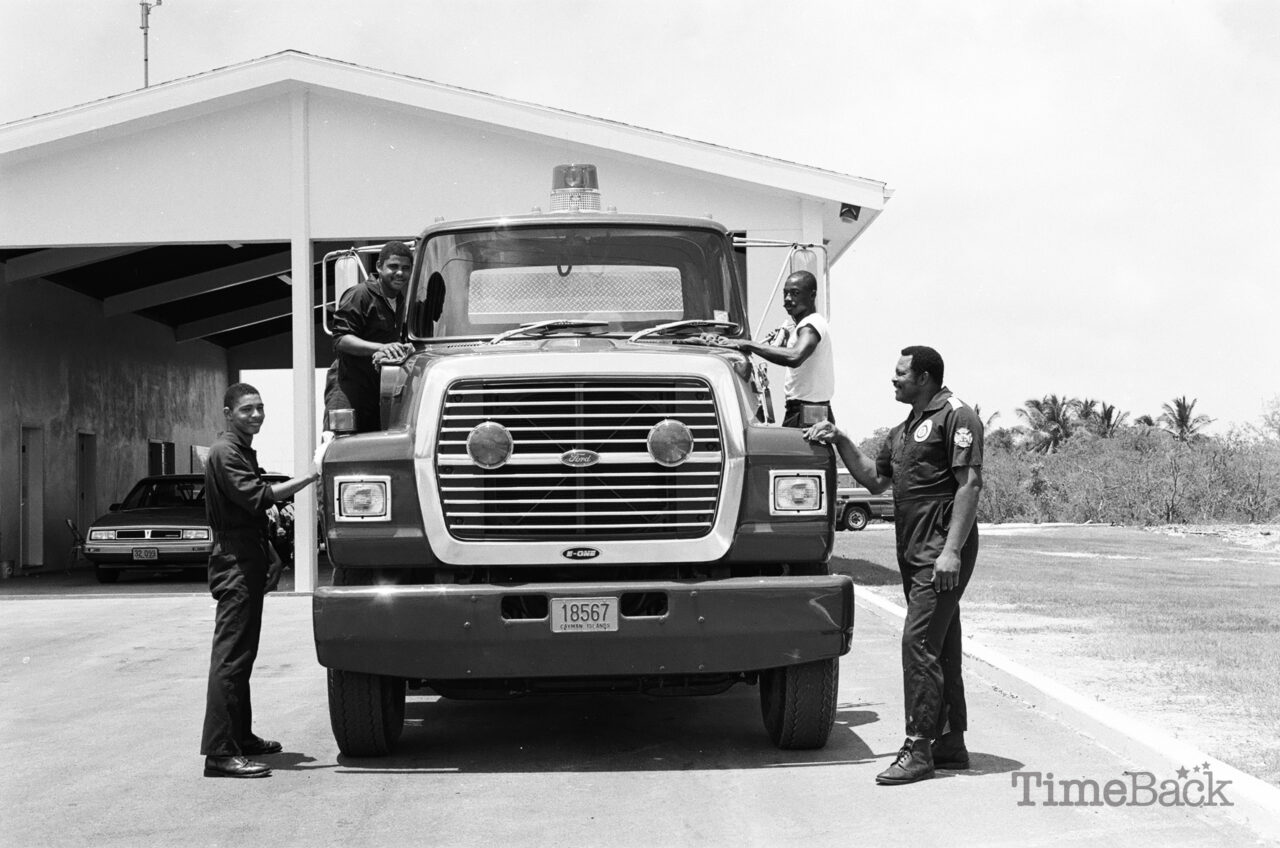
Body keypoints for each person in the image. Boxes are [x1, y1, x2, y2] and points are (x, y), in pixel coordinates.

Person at [806, 345, 983, 785]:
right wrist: (841, 438)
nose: (894, 379)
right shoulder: (904, 430)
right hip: (914, 549)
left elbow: (969, 484)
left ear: (924, 377)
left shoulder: (957, 417)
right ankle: (950, 742)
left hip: (941, 550)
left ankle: (918, 748)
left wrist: (952, 551)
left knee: (918, 642)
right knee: (940, 644)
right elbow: (874, 478)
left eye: (901, 373)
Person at [201, 382, 320, 779]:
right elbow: (261, 498)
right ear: (227, 413)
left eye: (260, 408)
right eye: (247, 409)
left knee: (243, 655)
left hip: (248, 553)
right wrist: (310, 477)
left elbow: (250, 517)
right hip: (234, 561)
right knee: (230, 658)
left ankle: (241, 737)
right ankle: (219, 752)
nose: (256, 415)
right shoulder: (225, 452)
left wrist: (269, 555)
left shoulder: (239, 450)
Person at [702, 270, 834, 428]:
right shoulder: (806, 325)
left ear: (812, 295)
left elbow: (795, 357)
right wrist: (784, 344)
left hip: (808, 414)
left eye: (795, 293)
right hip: (805, 411)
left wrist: (747, 344)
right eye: (785, 294)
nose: (787, 299)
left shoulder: (811, 324)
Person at [325, 241, 415, 433]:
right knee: (342, 451)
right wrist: (380, 347)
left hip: (378, 392)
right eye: (393, 267)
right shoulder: (359, 294)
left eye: (405, 268)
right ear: (379, 267)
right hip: (348, 388)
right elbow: (341, 339)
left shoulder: (400, 301)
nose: (400, 273)